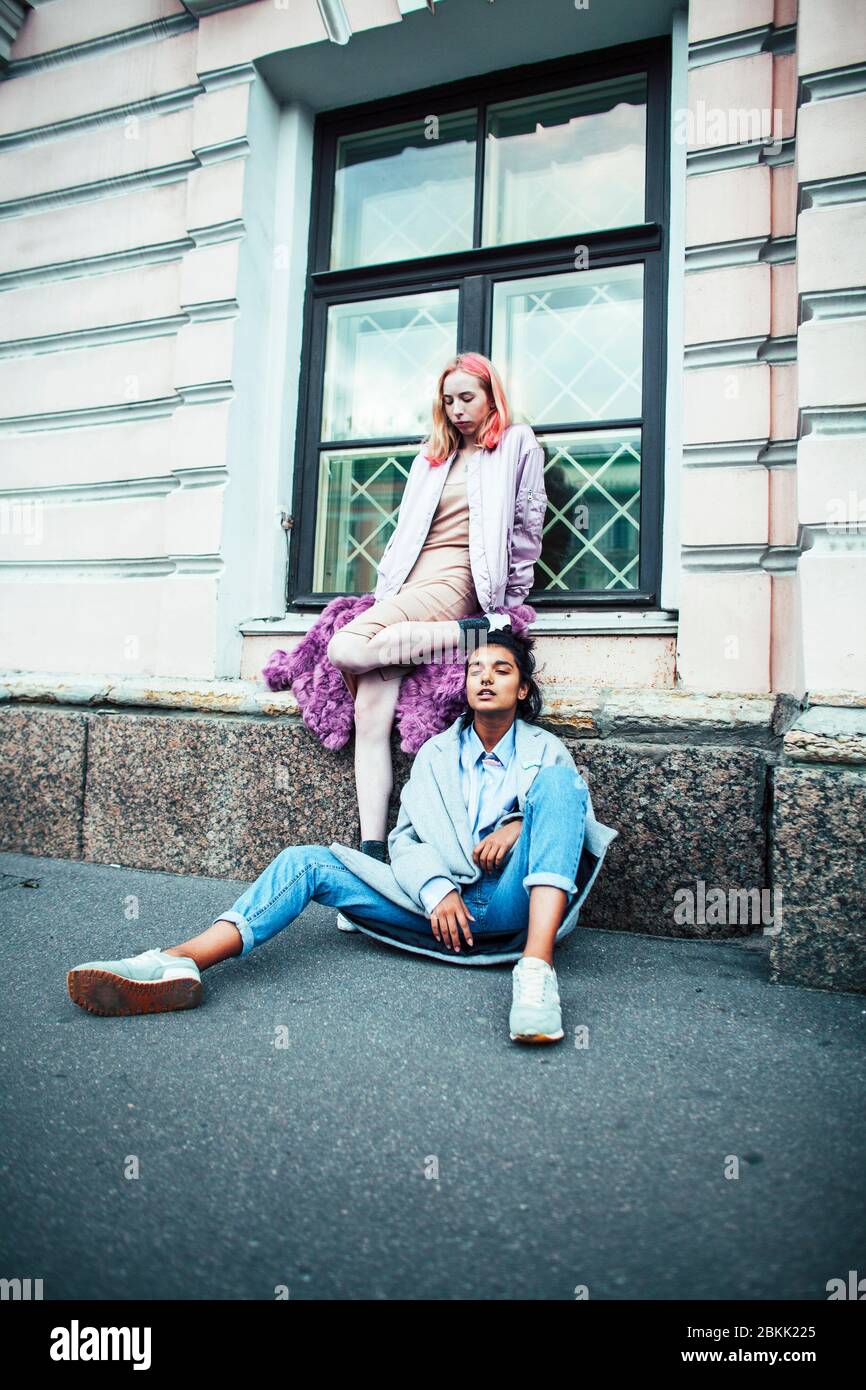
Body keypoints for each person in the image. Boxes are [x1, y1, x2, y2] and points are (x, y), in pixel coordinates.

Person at [66, 630, 617, 1045]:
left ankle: (535, 974)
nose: (486, 676)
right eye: (476, 668)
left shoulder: (546, 754)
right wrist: (435, 890)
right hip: (433, 909)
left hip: (510, 906)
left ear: (523, 688)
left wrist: (521, 825)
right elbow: (405, 839)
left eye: (501, 669)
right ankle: (180, 961)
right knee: (306, 862)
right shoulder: (436, 755)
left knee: (561, 787)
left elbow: (572, 824)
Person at [322, 351, 547, 863]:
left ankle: (474, 629)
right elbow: (405, 534)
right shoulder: (432, 456)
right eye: (448, 401)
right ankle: (373, 850)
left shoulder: (517, 444)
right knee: (369, 708)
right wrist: (388, 593)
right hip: (408, 582)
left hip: (459, 579)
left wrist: (510, 606)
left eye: (468, 397)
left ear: (492, 396)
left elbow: (525, 531)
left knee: (345, 645)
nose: (457, 409)